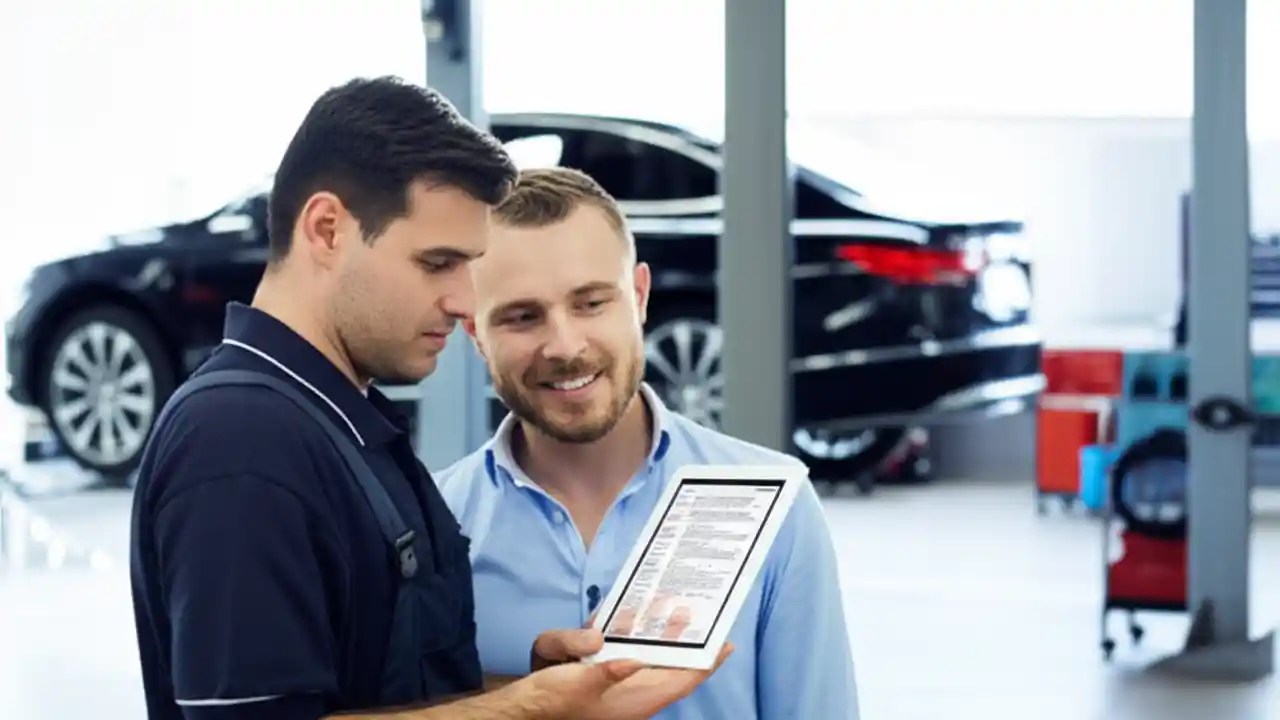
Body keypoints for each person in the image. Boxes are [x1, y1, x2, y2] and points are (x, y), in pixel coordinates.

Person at [128, 77, 727, 720]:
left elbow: (375, 695)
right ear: (327, 229)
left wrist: (531, 690)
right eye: (436, 263)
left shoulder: (335, 425)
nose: (464, 302)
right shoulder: (240, 441)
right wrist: (524, 712)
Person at [436, 167, 861, 719]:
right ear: (476, 334)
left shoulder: (776, 506)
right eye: (522, 317)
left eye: (591, 303)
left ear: (639, 296)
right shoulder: (435, 522)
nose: (565, 346)